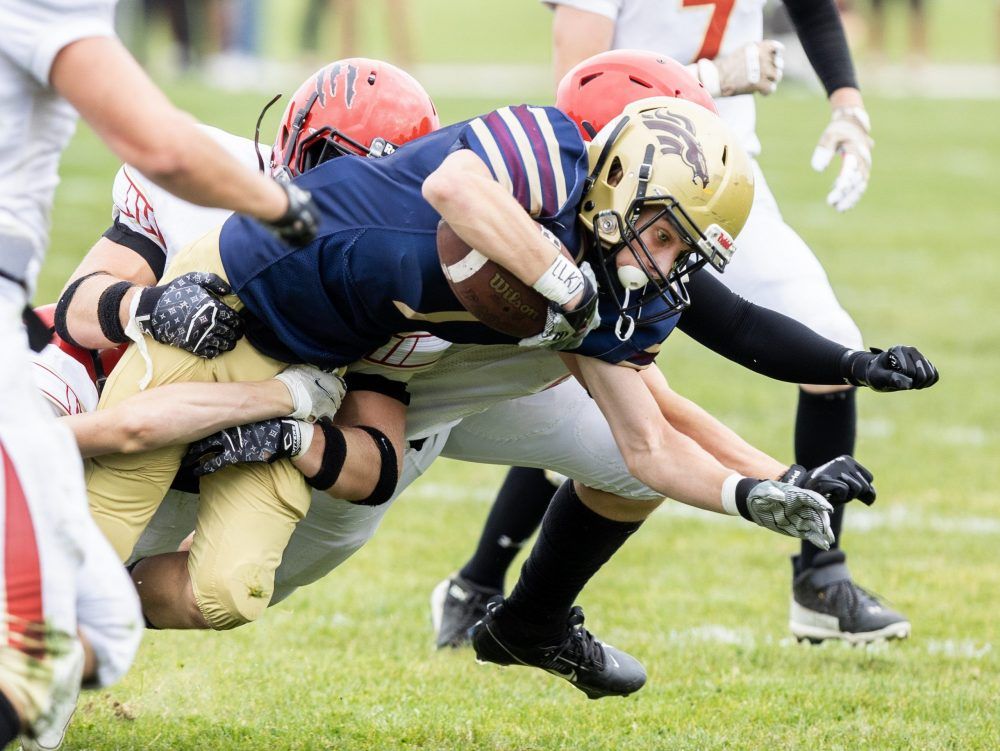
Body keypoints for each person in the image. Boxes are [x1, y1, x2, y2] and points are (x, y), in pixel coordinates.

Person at [116, 93, 933, 701]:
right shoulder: (532, 160)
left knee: (236, 585)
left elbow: (660, 423)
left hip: (388, 401)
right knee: (124, 489)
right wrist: (125, 309)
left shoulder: (623, 282)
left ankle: (529, 618)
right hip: (274, 329)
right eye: (664, 234)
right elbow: (455, 184)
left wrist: (769, 482)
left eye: (683, 245)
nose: (667, 259)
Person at [437, 0, 898, 647]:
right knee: (590, 383)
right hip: (626, 185)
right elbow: (578, 87)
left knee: (827, 343)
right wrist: (712, 78)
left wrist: (847, 102)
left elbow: (812, 9)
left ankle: (819, 577)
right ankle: (481, 581)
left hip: (723, 178)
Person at [0, 1, 318, 748]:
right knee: (90, 623)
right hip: (49, 363)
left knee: (103, 618)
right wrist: (287, 210)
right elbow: (158, 145)